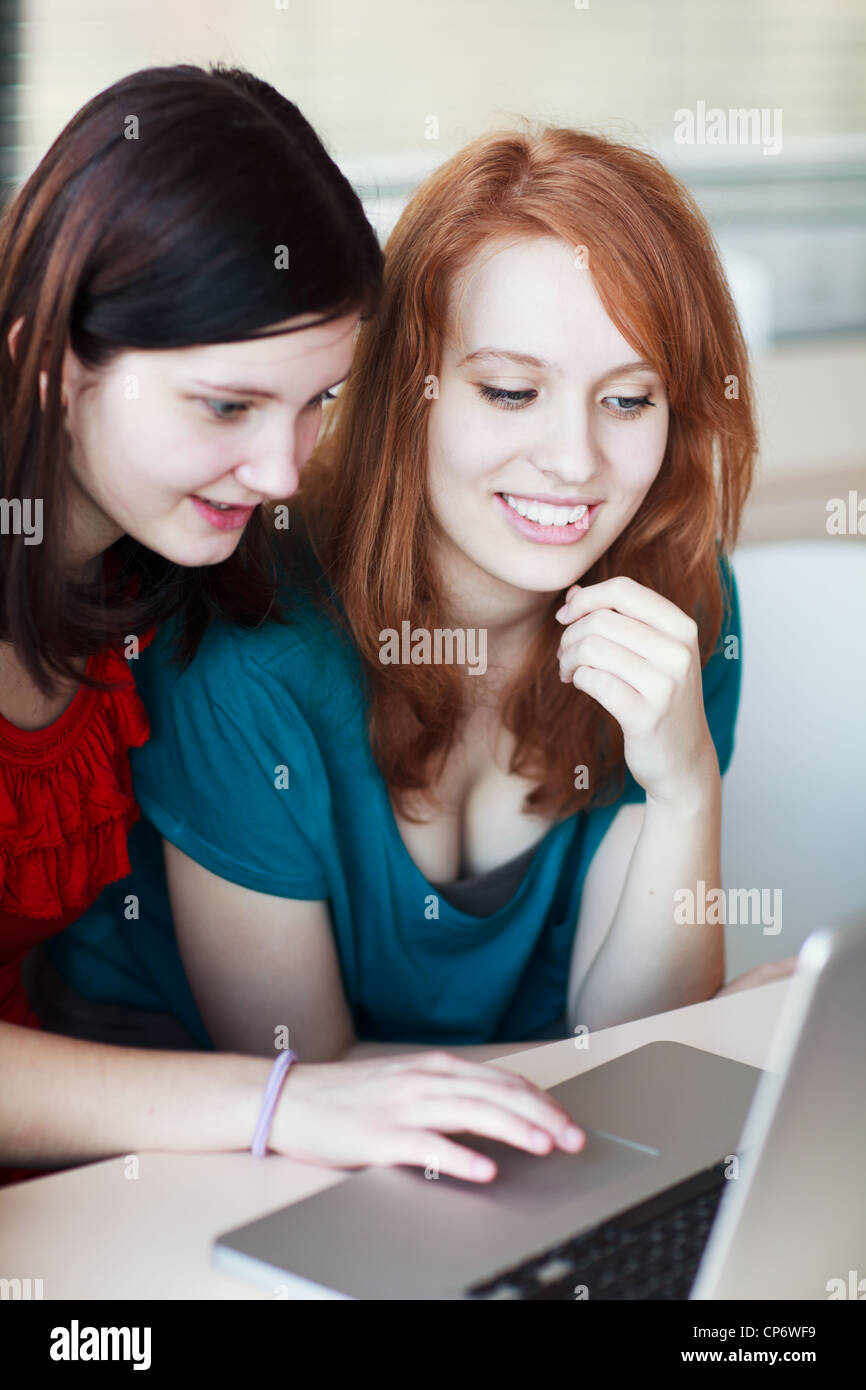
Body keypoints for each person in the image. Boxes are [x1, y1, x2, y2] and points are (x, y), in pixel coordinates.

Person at [43, 126, 788, 1187]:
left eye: (627, 399)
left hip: (520, 1171)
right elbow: (310, 1085)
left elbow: (638, 1049)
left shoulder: (678, 609)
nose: (573, 460)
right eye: (507, 391)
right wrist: (699, 1051)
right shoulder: (248, 644)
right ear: (406, 391)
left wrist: (682, 787)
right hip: (203, 1178)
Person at [4, 62, 567, 1190]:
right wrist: (281, 1099)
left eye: (321, 399)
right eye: (225, 405)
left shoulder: (150, 575)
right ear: (48, 361)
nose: (280, 472)